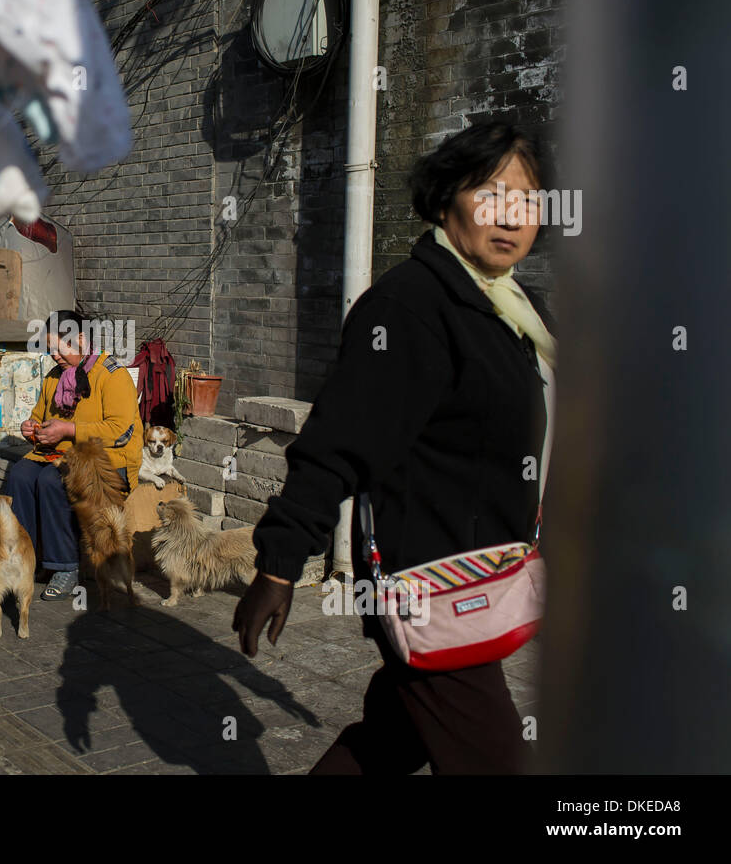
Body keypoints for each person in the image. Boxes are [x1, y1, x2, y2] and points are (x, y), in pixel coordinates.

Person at [232, 120, 557, 774]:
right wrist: (280, 561)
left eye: (526, 198)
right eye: (488, 194)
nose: (509, 215)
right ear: (446, 202)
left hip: (482, 571)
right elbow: (341, 440)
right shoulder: (411, 307)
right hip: (428, 584)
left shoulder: (517, 309)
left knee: (392, 740)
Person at [3, 310, 142, 601]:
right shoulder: (55, 377)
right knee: (19, 476)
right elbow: (39, 417)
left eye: (59, 347)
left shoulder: (111, 374)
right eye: (50, 349)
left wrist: (68, 429)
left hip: (105, 461)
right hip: (59, 455)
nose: (54, 355)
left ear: (80, 340)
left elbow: (119, 430)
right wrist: (32, 429)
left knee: (52, 482)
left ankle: (64, 566)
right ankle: (29, 558)